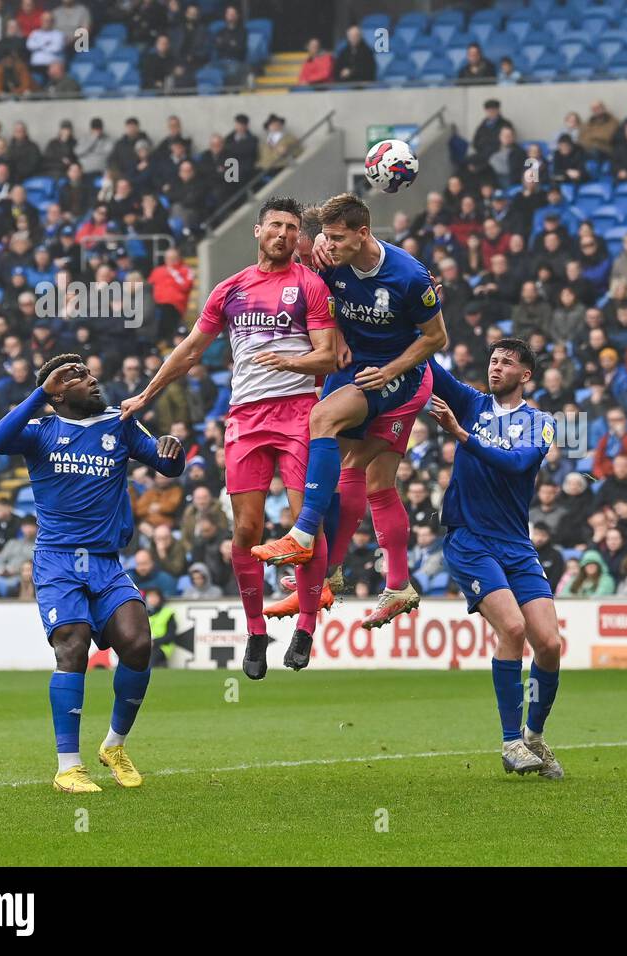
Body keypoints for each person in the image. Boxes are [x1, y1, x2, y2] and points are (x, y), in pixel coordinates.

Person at [121, 197, 340, 681]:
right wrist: (146, 394)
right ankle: (256, 629)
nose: (284, 234)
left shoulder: (310, 286)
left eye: (292, 228)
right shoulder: (231, 289)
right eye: (276, 225)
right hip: (244, 419)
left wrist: (290, 363)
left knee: (306, 523)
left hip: (300, 413)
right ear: (257, 230)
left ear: (299, 237)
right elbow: (191, 349)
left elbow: (328, 357)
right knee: (245, 531)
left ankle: (305, 624)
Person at [251, 193, 447, 636]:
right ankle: (355, 581)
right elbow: (295, 263)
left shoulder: (408, 276)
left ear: (363, 234)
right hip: (355, 368)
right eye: (325, 236)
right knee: (351, 470)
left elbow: (437, 338)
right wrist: (336, 332)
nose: (329, 244)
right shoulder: (329, 257)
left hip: (401, 374)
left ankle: (307, 544)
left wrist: (393, 370)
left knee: (333, 435)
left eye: (338, 237)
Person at [0, 355, 186, 793]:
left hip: (106, 562)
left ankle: (114, 745)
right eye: (79, 379)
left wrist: (174, 449)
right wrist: (41, 391)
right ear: (58, 393)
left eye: (92, 374)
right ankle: (68, 766)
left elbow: (167, 465)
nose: (94, 381)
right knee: (73, 647)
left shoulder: (120, 424)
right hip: (58, 560)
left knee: (137, 643)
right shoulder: (40, 432)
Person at [426, 338, 564, 778]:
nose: (497, 367)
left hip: (516, 544)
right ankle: (509, 742)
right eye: (493, 360)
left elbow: (518, 464)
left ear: (525, 375)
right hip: (470, 538)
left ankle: (534, 737)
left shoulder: (540, 422)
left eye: (507, 362)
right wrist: (421, 310)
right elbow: (428, 364)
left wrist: (461, 436)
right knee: (514, 627)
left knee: (549, 644)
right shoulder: (469, 402)